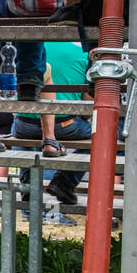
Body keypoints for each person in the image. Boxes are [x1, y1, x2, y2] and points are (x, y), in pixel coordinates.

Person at [11, 40, 92, 206]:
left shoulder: (28, 49)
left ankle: (28, 181)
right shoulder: (82, 54)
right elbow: (87, 107)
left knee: (19, 130)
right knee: (98, 138)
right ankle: (64, 182)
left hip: (23, 124)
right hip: (64, 125)